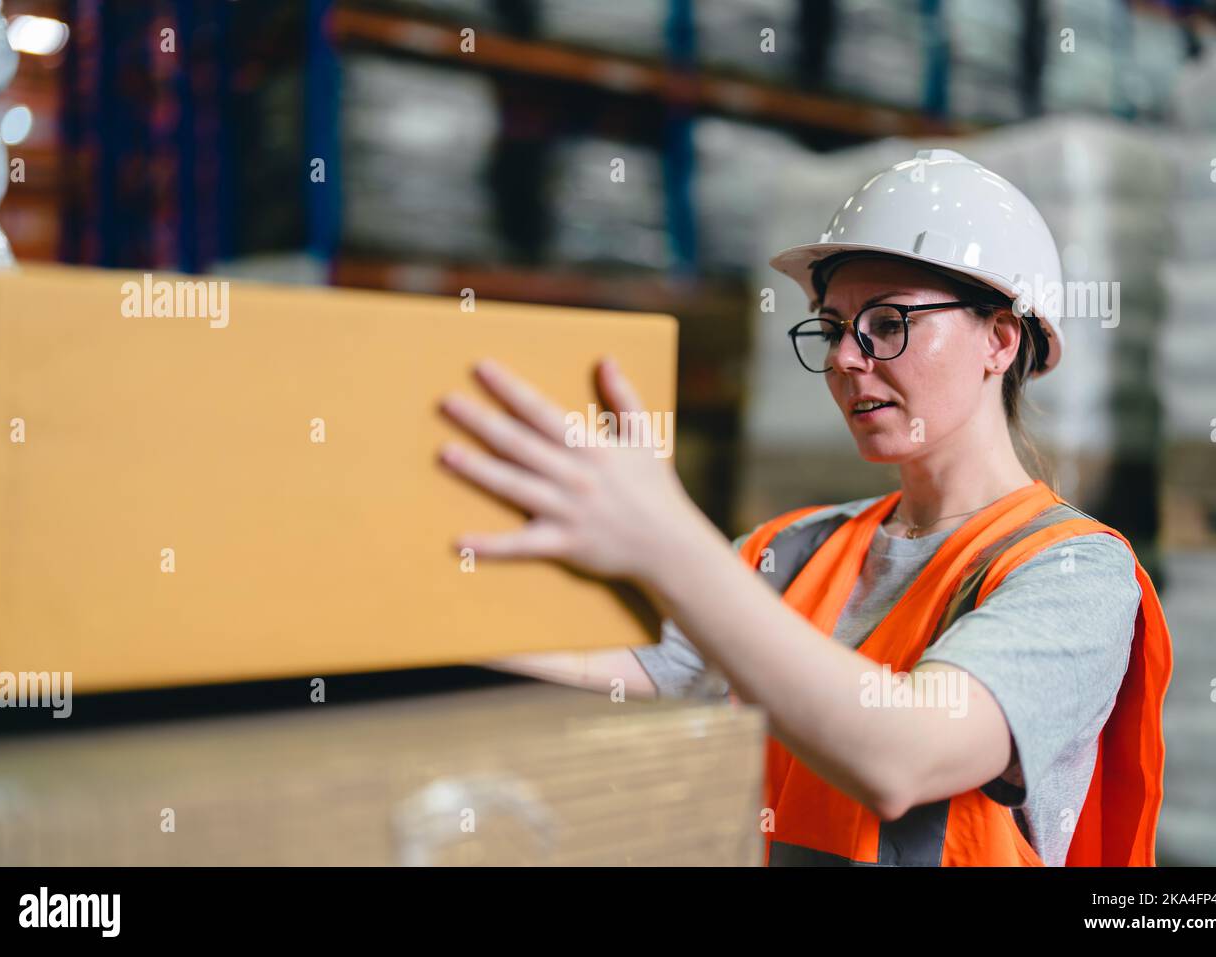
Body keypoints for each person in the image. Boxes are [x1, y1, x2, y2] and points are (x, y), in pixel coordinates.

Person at [437, 149, 1172, 867]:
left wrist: (667, 539)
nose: (845, 358)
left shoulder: (1073, 572)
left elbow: (902, 756)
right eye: (831, 327)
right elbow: (626, 671)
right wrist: (390, 610)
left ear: (1001, 339)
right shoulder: (791, 549)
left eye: (889, 323)